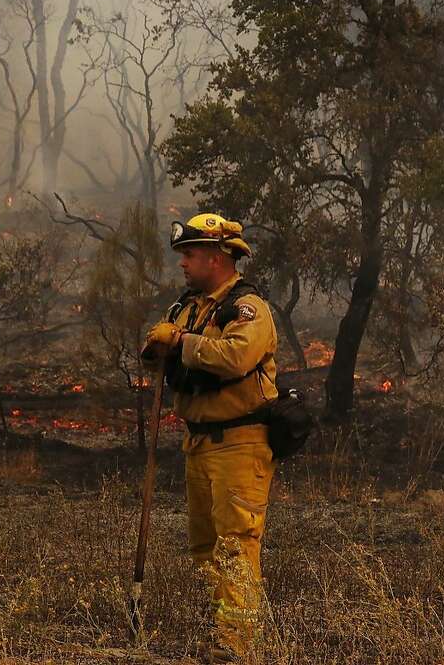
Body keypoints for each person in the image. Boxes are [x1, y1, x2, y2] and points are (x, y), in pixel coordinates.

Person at [142, 213, 278, 663]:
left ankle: (236, 647)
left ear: (218, 258)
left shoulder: (248, 309)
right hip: (198, 441)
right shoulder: (187, 306)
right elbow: (161, 353)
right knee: (204, 545)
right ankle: (220, 631)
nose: (182, 264)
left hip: (240, 443)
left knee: (235, 544)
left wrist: (179, 341)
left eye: (191, 255)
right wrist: (157, 346)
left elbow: (236, 357)